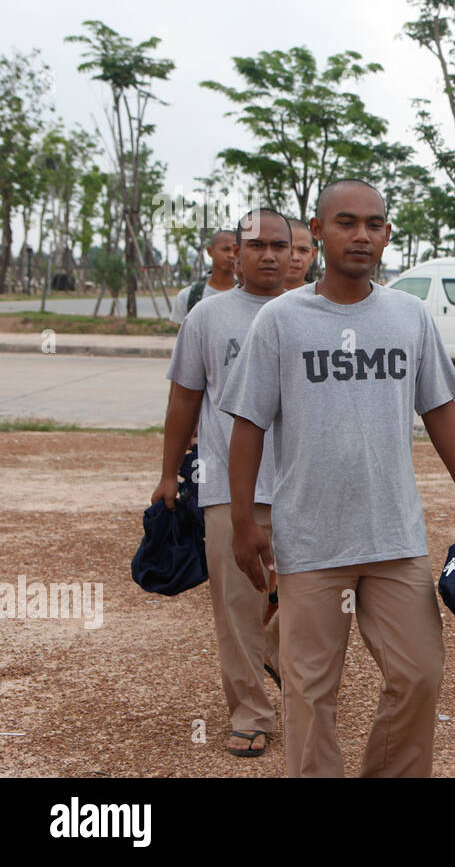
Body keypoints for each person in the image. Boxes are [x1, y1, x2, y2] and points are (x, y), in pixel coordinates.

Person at [220, 178, 455, 778]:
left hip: (393, 536)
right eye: (346, 222)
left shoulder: (409, 316)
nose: (361, 235)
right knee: (312, 694)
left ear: (388, 234)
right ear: (315, 234)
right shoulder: (282, 320)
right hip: (311, 542)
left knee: (419, 673)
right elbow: (247, 425)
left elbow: (440, 408)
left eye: (374, 224)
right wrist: (243, 522)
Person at [153, 208, 293, 758]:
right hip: (227, 489)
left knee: (315, 603)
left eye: (278, 245)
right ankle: (251, 714)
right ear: (234, 253)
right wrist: (168, 472)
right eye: (253, 245)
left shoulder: (312, 312)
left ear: (294, 252)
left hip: (306, 486)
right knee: (237, 607)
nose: (266, 254)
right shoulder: (207, 318)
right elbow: (184, 397)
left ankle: (281, 662)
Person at [169, 229, 238, 325]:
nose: (231, 255)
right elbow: (184, 338)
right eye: (226, 249)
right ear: (210, 251)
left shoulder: (248, 294)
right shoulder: (188, 297)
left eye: (236, 251)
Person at [285, 218, 319, 289]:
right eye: (288, 250)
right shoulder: (258, 297)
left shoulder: (320, 298)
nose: (295, 257)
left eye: (303, 250)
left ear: (313, 255)